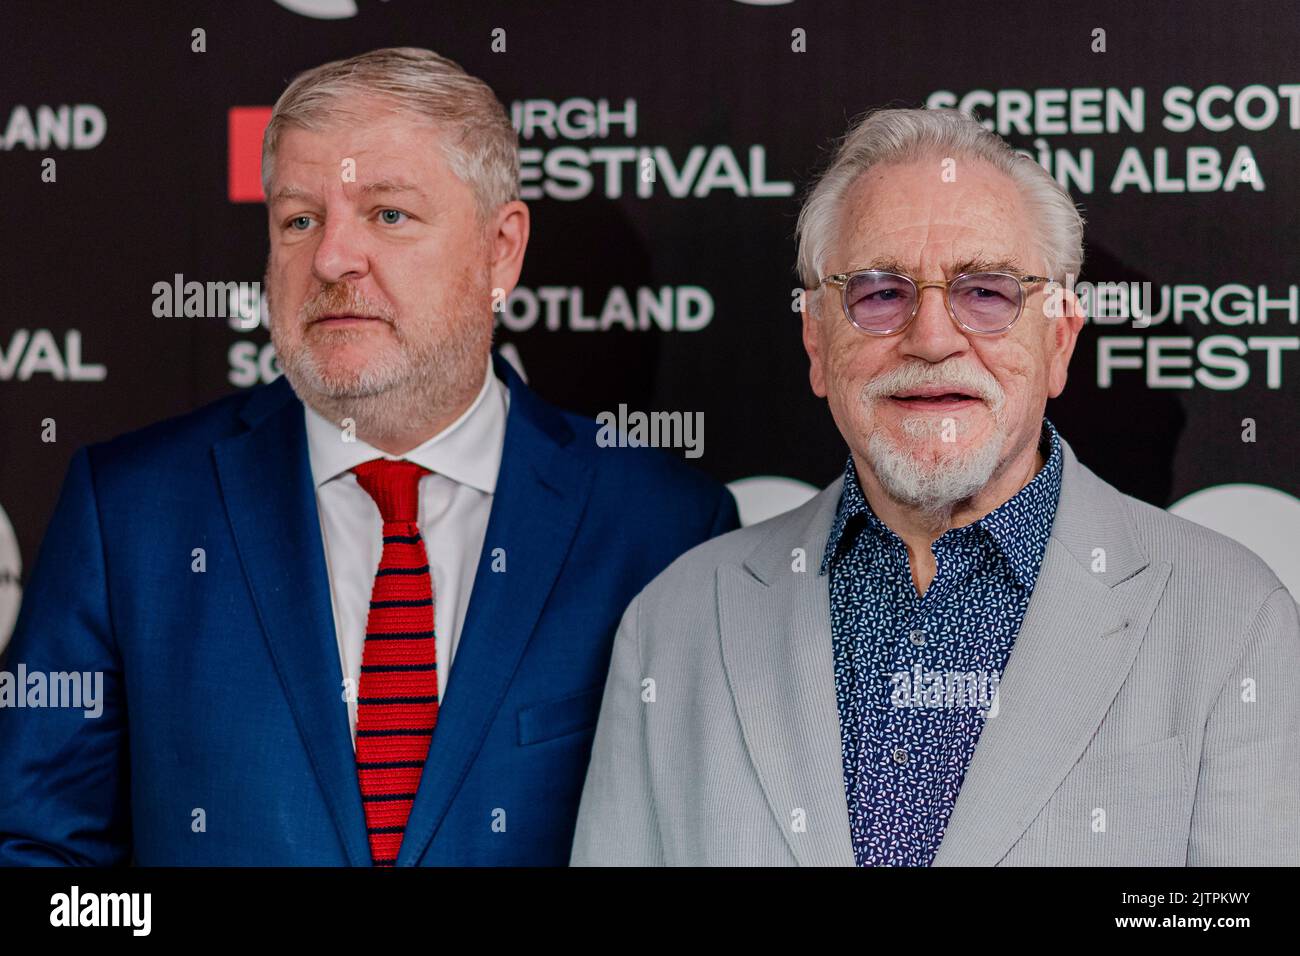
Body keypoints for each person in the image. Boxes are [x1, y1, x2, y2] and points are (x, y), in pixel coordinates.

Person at [0, 47, 737, 866]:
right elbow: (38, 853)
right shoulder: (130, 513)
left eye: (387, 214)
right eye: (299, 220)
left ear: (502, 250)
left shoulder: (663, 527)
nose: (330, 258)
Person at [571, 107, 1300, 866]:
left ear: (1058, 341)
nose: (931, 337)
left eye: (986, 293)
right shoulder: (676, 621)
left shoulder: (1232, 621)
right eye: (880, 294)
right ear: (817, 342)